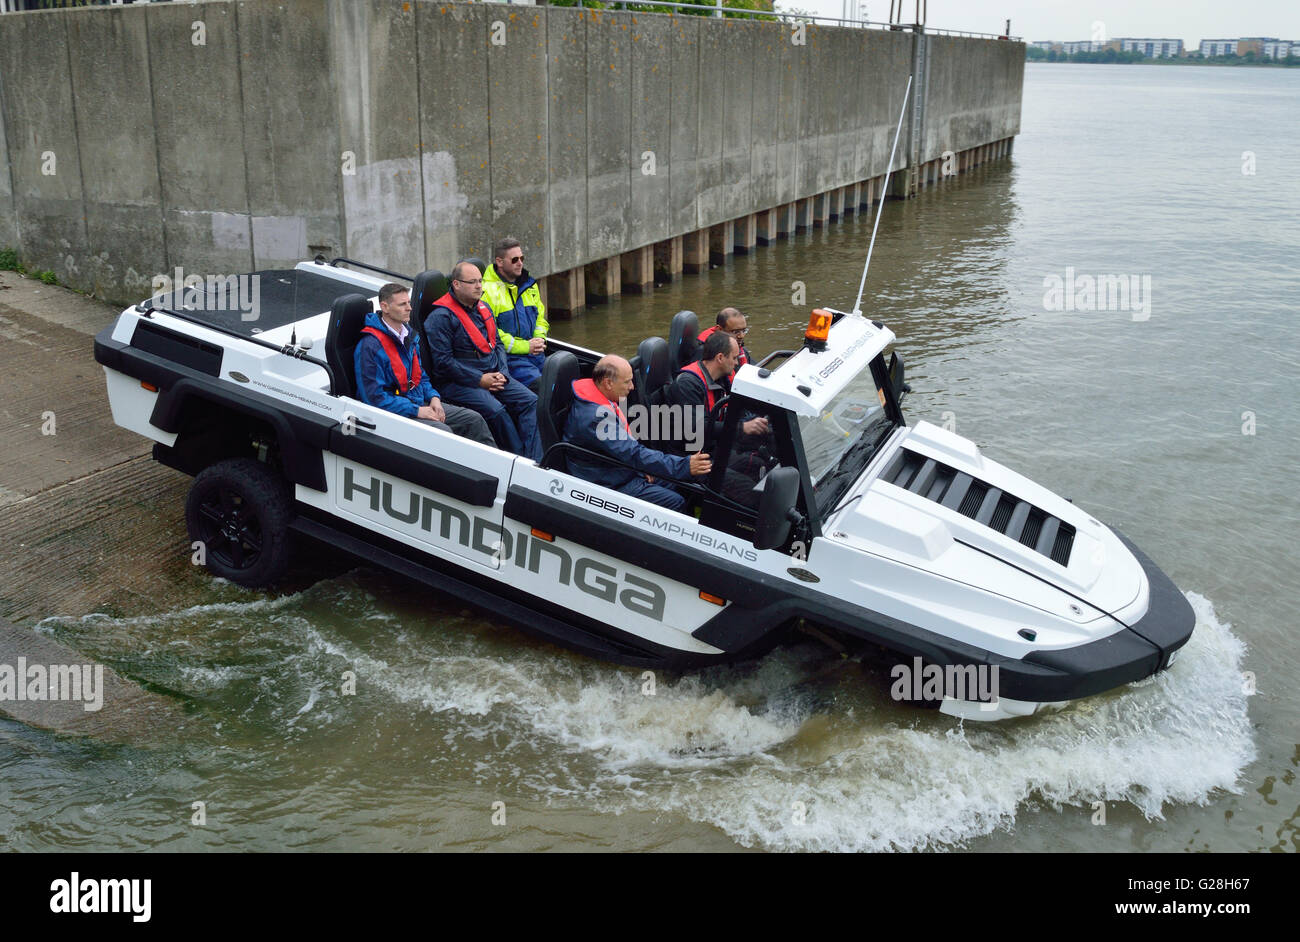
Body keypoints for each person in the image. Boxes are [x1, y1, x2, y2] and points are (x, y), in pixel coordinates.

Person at [353, 283, 495, 446]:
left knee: (473, 420)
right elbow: (374, 398)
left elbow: (420, 376)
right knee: (443, 432)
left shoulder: (408, 335)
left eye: (409, 303)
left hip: (418, 402)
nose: (409, 308)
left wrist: (434, 398)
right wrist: (417, 410)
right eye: (402, 304)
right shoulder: (370, 347)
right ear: (385, 307)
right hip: (394, 413)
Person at [425, 262, 542, 460]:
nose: (479, 286)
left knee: (531, 401)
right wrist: (479, 379)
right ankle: (516, 459)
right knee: (496, 411)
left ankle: (535, 459)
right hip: (458, 382)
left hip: (494, 373)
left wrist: (503, 372)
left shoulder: (483, 308)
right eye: (472, 282)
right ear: (456, 284)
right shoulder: (440, 318)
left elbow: (497, 345)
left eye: (480, 281)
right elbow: (443, 363)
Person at [564, 355, 711, 512]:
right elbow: (633, 453)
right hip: (607, 480)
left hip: (617, 469)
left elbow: (625, 449)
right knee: (675, 501)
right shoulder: (596, 419)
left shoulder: (601, 398)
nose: (632, 387)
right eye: (627, 382)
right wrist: (684, 466)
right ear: (608, 383)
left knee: (682, 484)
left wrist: (641, 469)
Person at [667, 331, 773, 507]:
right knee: (749, 490)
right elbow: (696, 428)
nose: (737, 362)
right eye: (734, 357)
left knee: (758, 464)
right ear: (720, 358)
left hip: (712, 449)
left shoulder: (721, 379)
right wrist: (742, 428)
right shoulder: (686, 384)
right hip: (692, 459)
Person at [481, 237, 548, 390]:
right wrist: (525, 346)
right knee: (542, 387)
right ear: (499, 262)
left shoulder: (529, 284)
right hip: (510, 359)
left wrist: (539, 338)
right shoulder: (487, 292)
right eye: (514, 260)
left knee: (561, 381)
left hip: (535, 354)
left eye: (522, 258)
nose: (520, 263)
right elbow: (491, 333)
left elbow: (540, 318)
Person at [695, 306, 751, 379]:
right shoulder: (703, 353)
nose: (741, 336)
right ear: (719, 329)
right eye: (735, 332)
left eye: (744, 330)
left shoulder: (743, 351)